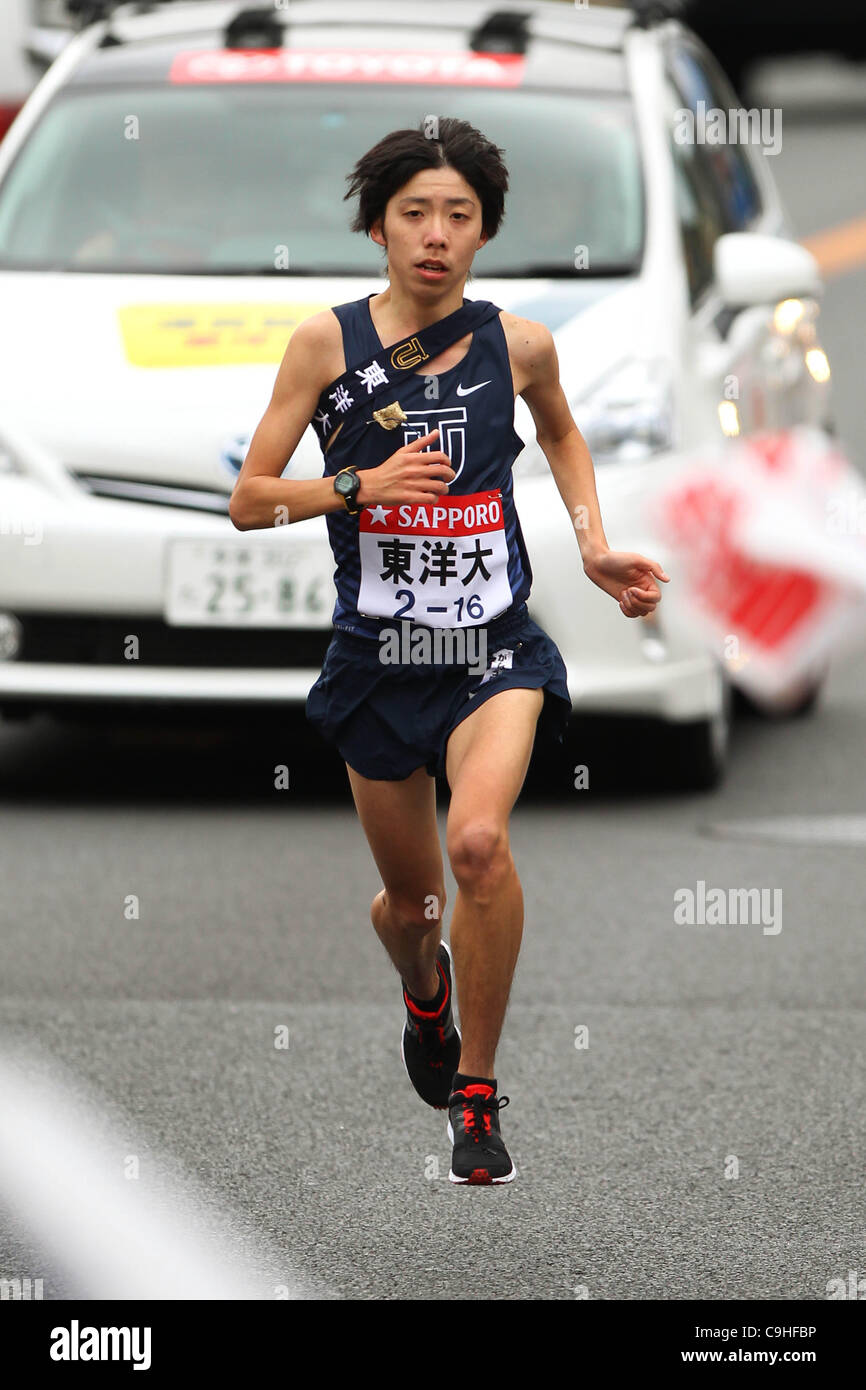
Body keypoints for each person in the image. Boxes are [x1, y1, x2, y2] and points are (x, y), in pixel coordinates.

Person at [229, 118, 669, 1184]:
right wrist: (359, 486)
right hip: (380, 662)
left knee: (478, 846)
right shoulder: (325, 345)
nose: (435, 235)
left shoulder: (515, 344)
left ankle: (475, 1095)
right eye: (414, 214)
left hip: (491, 653)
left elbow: (559, 430)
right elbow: (248, 501)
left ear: (483, 233)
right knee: (410, 904)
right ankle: (422, 991)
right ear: (376, 225)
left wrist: (593, 542)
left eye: (458, 217)